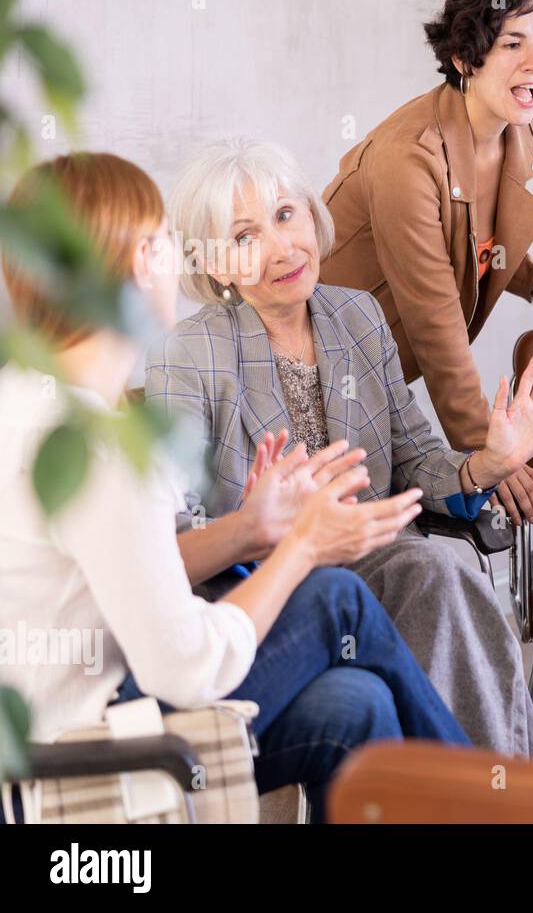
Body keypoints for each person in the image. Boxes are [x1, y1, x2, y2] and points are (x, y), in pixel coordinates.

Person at [0, 152, 468, 823]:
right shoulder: (102, 448)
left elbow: (138, 573)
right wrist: (303, 548)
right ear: (139, 264)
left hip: (55, 723)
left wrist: (253, 526)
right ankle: (489, 807)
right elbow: (185, 667)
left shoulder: (29, 400)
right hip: (87, 747)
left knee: (356, 705)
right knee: (336, 595)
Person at [147, 138, 533, 757]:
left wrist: (491, 463)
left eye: (286, 215)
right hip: (268, 584)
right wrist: (253, 522)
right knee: (434, 572)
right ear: (216, 264)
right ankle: (497, 796)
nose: (281, 248)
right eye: (245, 237)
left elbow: (414, 458)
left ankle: (475, 794)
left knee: (442, 574)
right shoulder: (187, 355)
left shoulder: (359, 316)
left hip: (378, 562)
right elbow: (171, 531)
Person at [320, 0, 533, 527]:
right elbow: (434, 321)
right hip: (319, 366)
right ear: (464, 58)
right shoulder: (409, 157)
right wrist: (487, 455)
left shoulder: (515, 126)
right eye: (512, 44)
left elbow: (467, 230)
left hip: (377, 373)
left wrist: (530, 274)